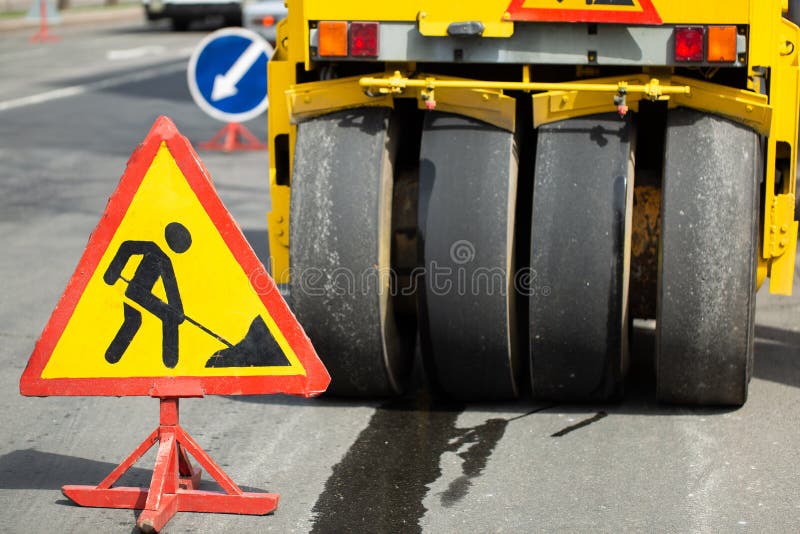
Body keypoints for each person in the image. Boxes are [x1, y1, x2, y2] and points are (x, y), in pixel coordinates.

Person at [103, 222, 192, 368]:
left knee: (136, 320)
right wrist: (111, 274)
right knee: (154, 318)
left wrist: (179, 312)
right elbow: (126, 247)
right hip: (136, 291)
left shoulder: (165, 260)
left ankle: (112, 357)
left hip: (140, 294)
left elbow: (172, 290)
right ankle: (170, 361)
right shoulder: (153, 249)